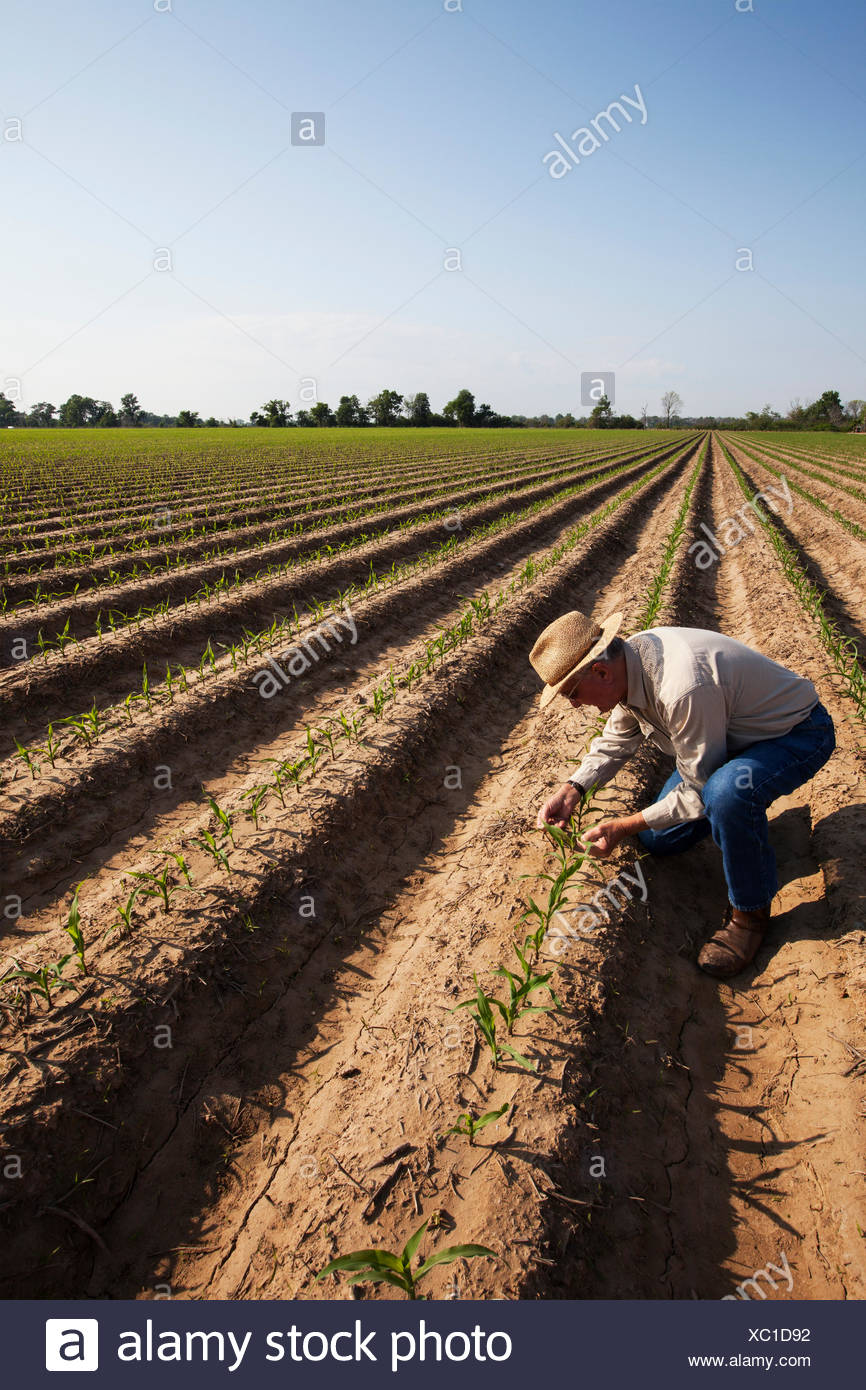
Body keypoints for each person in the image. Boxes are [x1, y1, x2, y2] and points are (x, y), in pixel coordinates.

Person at [531, 610, 836, 978]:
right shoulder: (627, 665)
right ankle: (741, 828)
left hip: (794, 733)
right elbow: (617, 739)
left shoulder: (682, 686)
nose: (575, 705)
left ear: (601, 672)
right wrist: (573, 788)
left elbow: (699, 789)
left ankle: (750, 916)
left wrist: (621, 827)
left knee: (725, 795)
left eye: (572, 694)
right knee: (657, 837)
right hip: (729, 737)